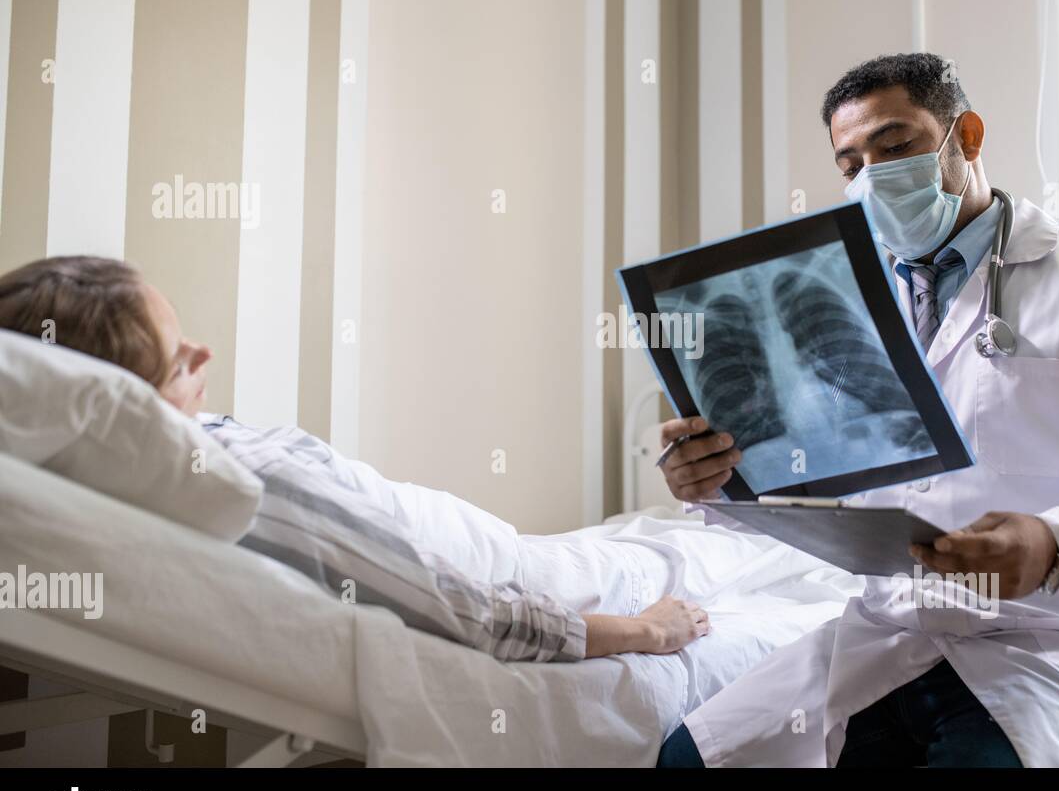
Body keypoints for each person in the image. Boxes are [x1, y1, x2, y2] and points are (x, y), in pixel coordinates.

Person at [656, 52, 1059, 767]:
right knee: (688, 761)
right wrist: (717, 478)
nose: (872, 176)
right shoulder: (852, 300)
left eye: (895, 146)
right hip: (888, 633)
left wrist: (1057, 544)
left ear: (966, 136)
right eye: (851, 164)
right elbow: (824, 481)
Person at [0, 255, 710, 663]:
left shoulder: (162, 463)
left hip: (509, 549)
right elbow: (468, 612)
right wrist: (648, 630)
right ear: (123, 399)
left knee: (696, 538)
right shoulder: (245, 485)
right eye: (177, 357)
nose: (204, 353)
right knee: (710, 558)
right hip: (522, 574)